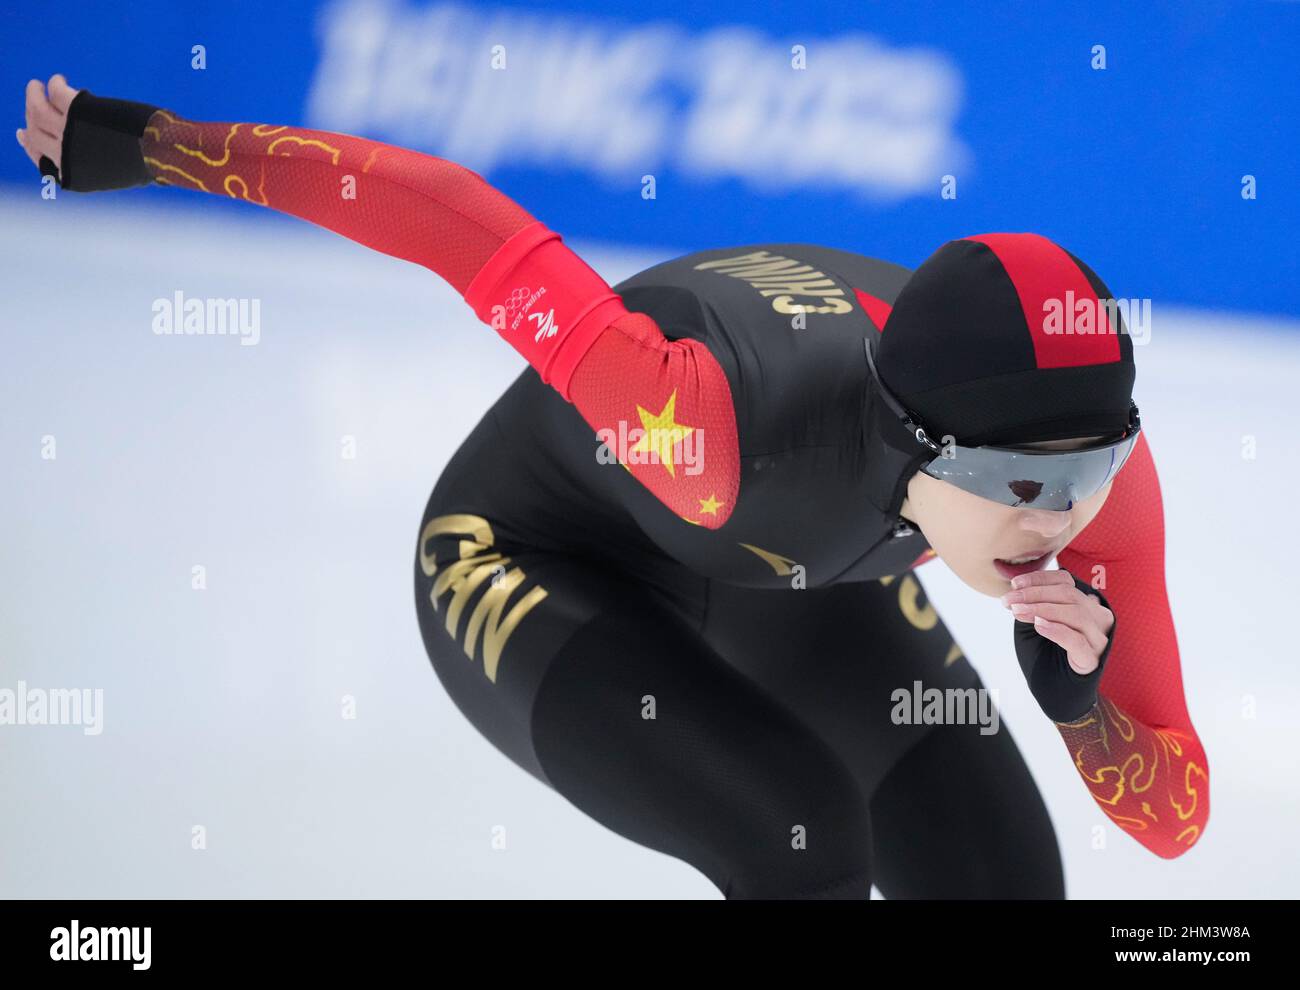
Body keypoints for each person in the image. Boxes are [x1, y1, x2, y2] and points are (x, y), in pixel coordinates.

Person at [19, 75, 1209, 899]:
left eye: (1090, 473)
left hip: (790, 560)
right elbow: (447, 217)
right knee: (803, 843)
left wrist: (1079, 708)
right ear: (912, 439)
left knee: (1004, 882)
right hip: (540, 556)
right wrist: (156, 143)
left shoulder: (1093, 480)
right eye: (1016, 483)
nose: (1057, 521)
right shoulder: (695, 427)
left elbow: (1174, 822)